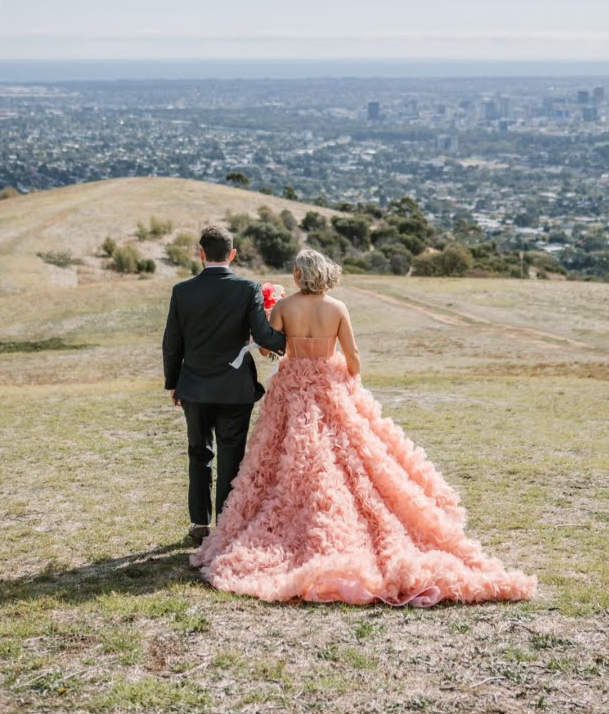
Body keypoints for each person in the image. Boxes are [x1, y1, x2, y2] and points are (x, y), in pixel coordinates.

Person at [192, 248, 536, 606]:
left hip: (292, 389)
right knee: (352, 459)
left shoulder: (284, 308)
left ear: (297, 276)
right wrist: (346, 383)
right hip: (330, 386)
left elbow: (270, 351)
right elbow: (353, 358)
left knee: (287, 459)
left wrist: (270, 320)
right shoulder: (338, 309)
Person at [162, 224, 286, 543]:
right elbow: (263, 336)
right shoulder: (248, 289)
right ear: (232, 254)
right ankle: (226, 522)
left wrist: (173, 383)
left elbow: (172, 343)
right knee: (232, 454)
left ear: (201, 254)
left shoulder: (181, 291)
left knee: (198, 453)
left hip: (194, 387)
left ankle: (198, 523)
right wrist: (297, 340)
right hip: (235, 388)